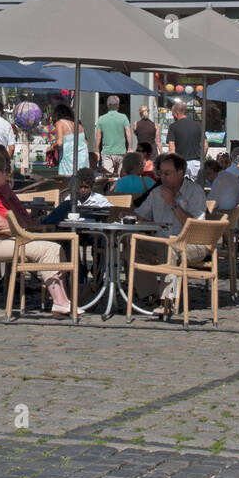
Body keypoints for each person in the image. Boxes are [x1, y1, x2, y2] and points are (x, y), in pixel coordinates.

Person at [0, 152, 71, 315]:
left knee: (56, 248)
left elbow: (10, 220)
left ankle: (63, 300)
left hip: (6, 240)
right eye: (5, 171)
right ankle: (60, 302)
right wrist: (23, 231)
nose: (8, 174)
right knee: (48, 249)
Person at [134, 153, 211, 317]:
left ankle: (167, 302)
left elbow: (196, 227)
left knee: (171, 248)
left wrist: (173, 204)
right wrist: (125, 215)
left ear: (180, 173)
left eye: (167, 173)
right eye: (161, 173)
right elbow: (140, 215)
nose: (163, 177)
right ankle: (150, 295)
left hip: (193, 243)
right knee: (134, 245)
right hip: (163, 241)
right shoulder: (157, 192)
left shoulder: (194, 191)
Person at [43, 167, 112, 226]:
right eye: (80, 187)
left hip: (93, 234)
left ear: (91, 187)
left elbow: (111, 214)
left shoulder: (99, 200)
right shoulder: (70, 199)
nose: (83, 190)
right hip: (71, 230)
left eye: (86, 187)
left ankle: (43, 224)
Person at [95, 96, 133, 179]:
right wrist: (130, 148)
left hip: (107, 152)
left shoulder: (101, 119)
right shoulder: (123, 117)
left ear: (107, 106)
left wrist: (97, 151)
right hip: (121, 152)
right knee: (121, 177)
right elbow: (128, 133)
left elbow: (98, 136)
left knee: (108, 178)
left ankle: (110, 191)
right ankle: (119, 191)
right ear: (118, 106)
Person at [166, 101, 204, 177]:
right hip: (197, 163)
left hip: (181, 164)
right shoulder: (198, 125)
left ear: (176, 112)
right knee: (196, 187)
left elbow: (171, 148)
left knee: (182, 187)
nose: (173, 115)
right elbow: (205, 145)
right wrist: (201, 159)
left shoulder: (173, 127)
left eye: (173, 113)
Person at [54, 103, 89, 176]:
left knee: (67, 183)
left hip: (69, 160)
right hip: (83, 158)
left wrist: (51, 147)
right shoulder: (78, 123)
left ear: (57, 114)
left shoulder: (60, 123)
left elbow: (59, 143)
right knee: (81, 182)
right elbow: (86, 143)